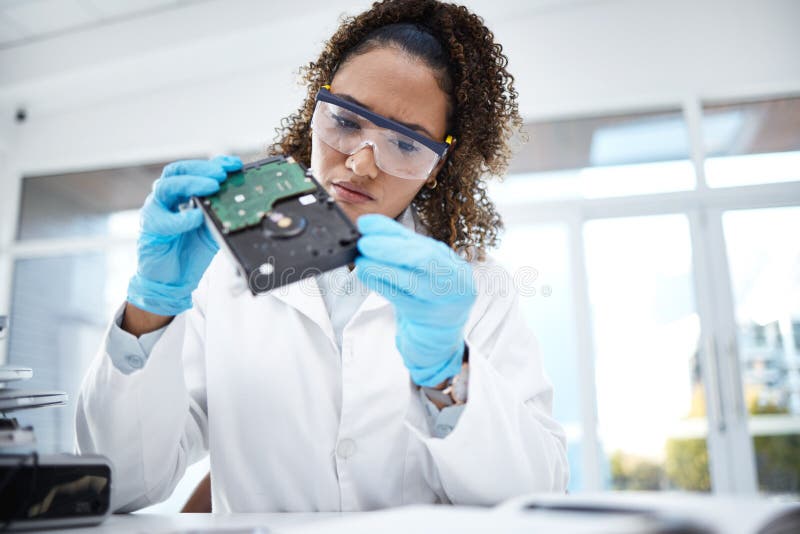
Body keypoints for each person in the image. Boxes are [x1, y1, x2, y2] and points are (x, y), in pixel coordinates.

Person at [75, 0, 568, 513]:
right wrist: (151, 305)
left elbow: (534, 496)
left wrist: (450, 376)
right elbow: (120, 484)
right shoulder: (215, 275)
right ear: (315, 113)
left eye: (405, 144)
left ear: (437, 167)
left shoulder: (479, 292)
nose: (359, 163)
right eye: (347, 122)